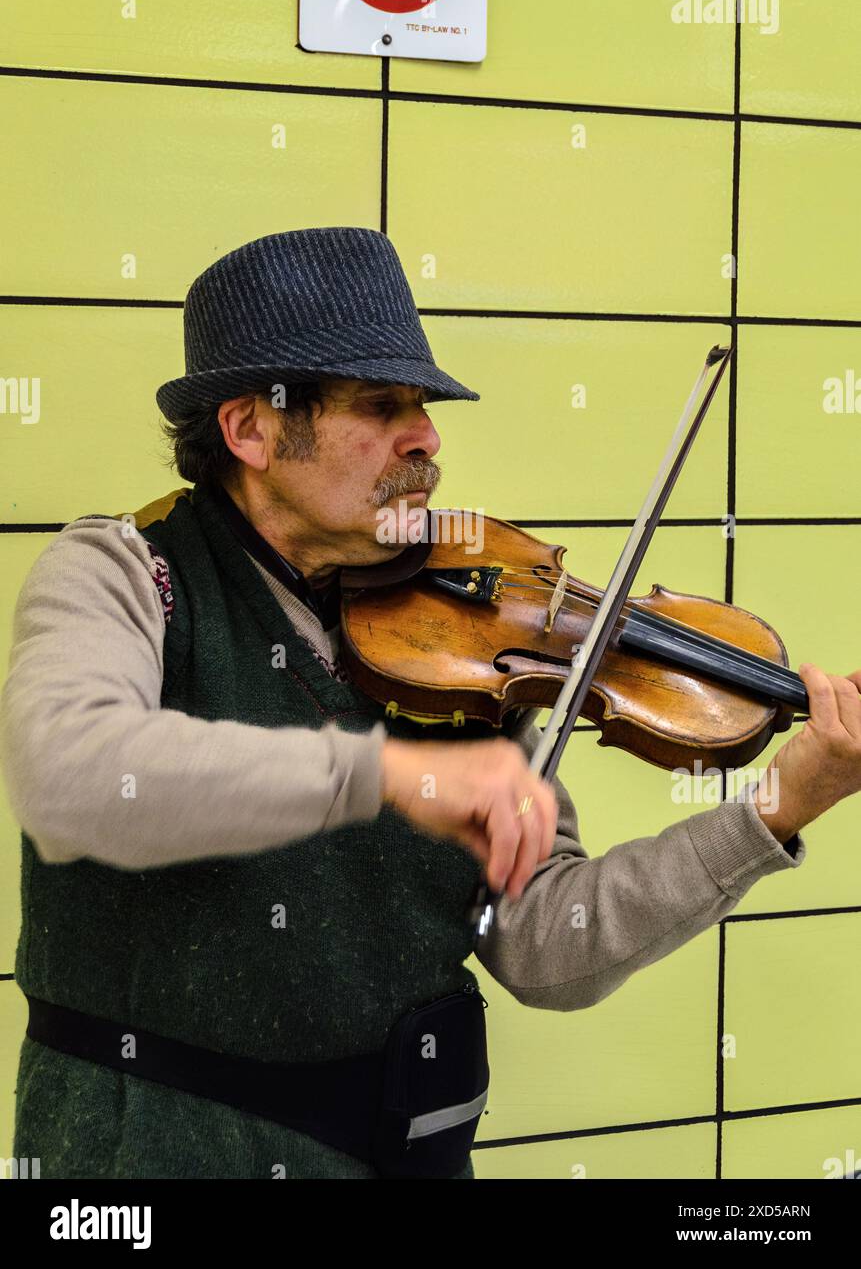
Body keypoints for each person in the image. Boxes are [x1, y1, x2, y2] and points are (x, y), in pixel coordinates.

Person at [2, 227, 859, 1180]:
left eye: (423, 406)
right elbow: (71, 778)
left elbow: (541, 945)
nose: (428, 439)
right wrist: (387, 774)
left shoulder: (468, 637)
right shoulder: (124, 573)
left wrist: (778, 806)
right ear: (250, 429)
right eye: (382, 406)